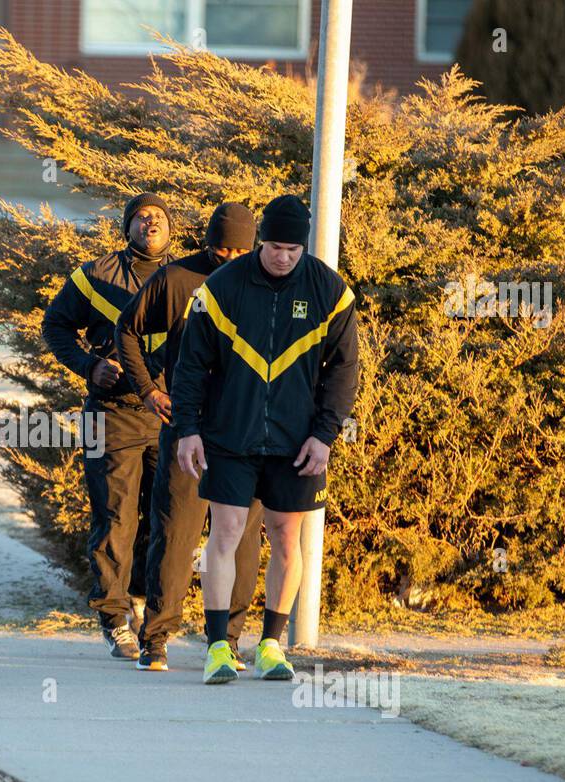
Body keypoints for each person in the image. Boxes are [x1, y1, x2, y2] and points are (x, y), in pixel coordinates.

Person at [170, 195, 359, 685]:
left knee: (286, 536)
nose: (284, 257)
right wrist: (188, 428)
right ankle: (217, 647)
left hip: (297, 440)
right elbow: (190, 366)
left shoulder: (330, 291)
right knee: (226, 534)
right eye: (276, 247)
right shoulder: (222, 288)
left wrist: (325, 436)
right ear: (260, 242)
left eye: (294, 250)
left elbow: (344, 371)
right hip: (229, 433)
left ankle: (272, 645)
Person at [114, 202, 261, 672]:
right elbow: (127, 330)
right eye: (222, 248)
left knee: (241, 536)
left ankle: (229, 641)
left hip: (245, 430)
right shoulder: (177, 280)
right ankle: (155, 640)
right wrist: (149, 390)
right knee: (175, 533)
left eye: (241, 249)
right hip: (187, 427)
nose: (231, 258)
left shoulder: (266, 285)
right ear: (206, 243)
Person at [42, 192, 174, 660]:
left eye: (158, 216)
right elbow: (55, 325)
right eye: (140, 216)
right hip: (109, 414)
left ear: (170, 228)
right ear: (127, 228)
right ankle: (114, 618)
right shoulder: (95, 274)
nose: (149, 222)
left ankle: (142, 601)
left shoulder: (186, 279)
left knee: (164, 517)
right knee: (115, 517)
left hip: (168, 418)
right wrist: (87, 366)